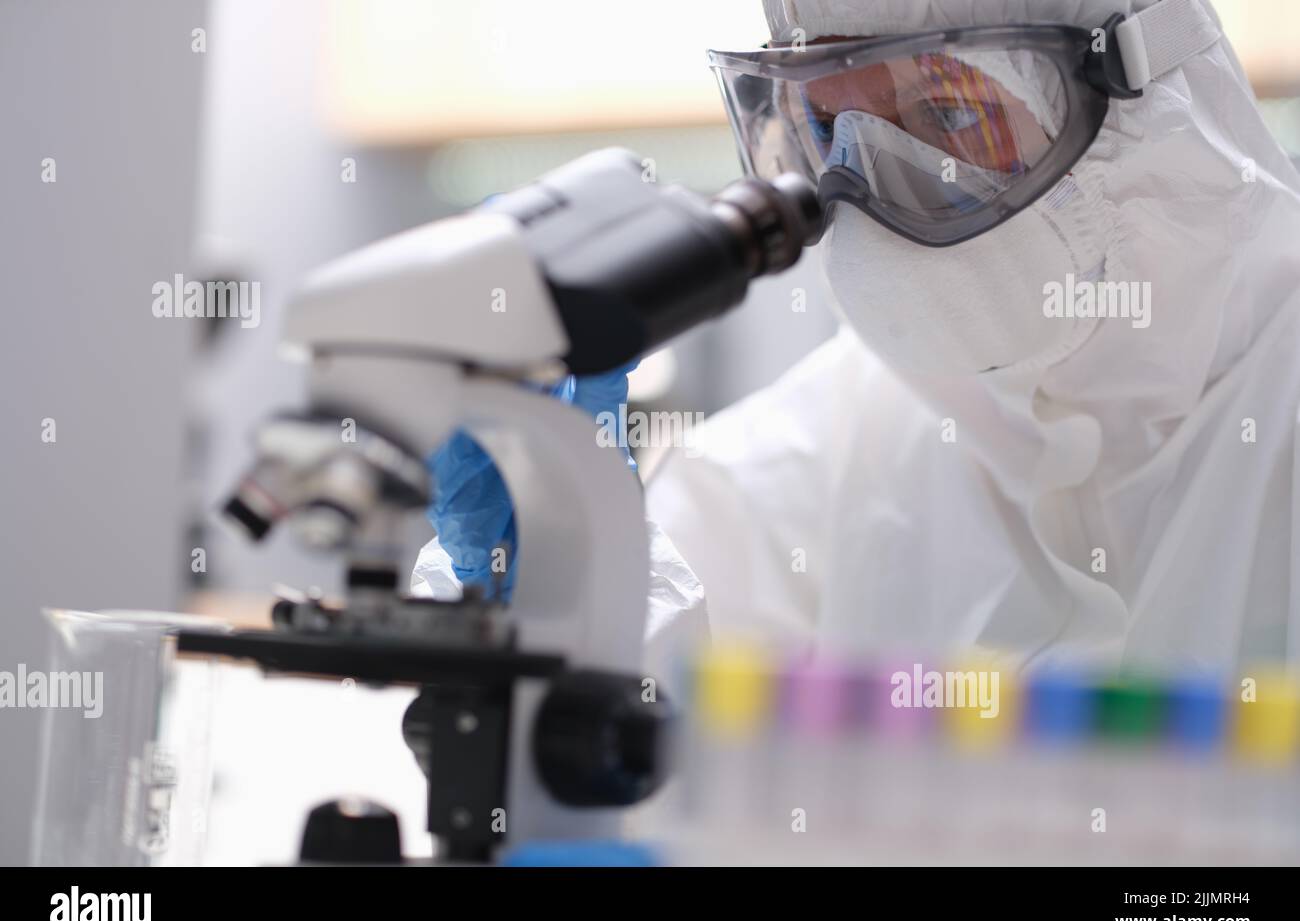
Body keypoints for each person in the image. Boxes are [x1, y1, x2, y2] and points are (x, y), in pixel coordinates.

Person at [418, 0, 1300, 677]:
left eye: (950, 117)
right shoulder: (844, 436)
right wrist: (565, 586)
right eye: (824, 127)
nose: (873, 199)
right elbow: (640, 763)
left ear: (1140, 95)